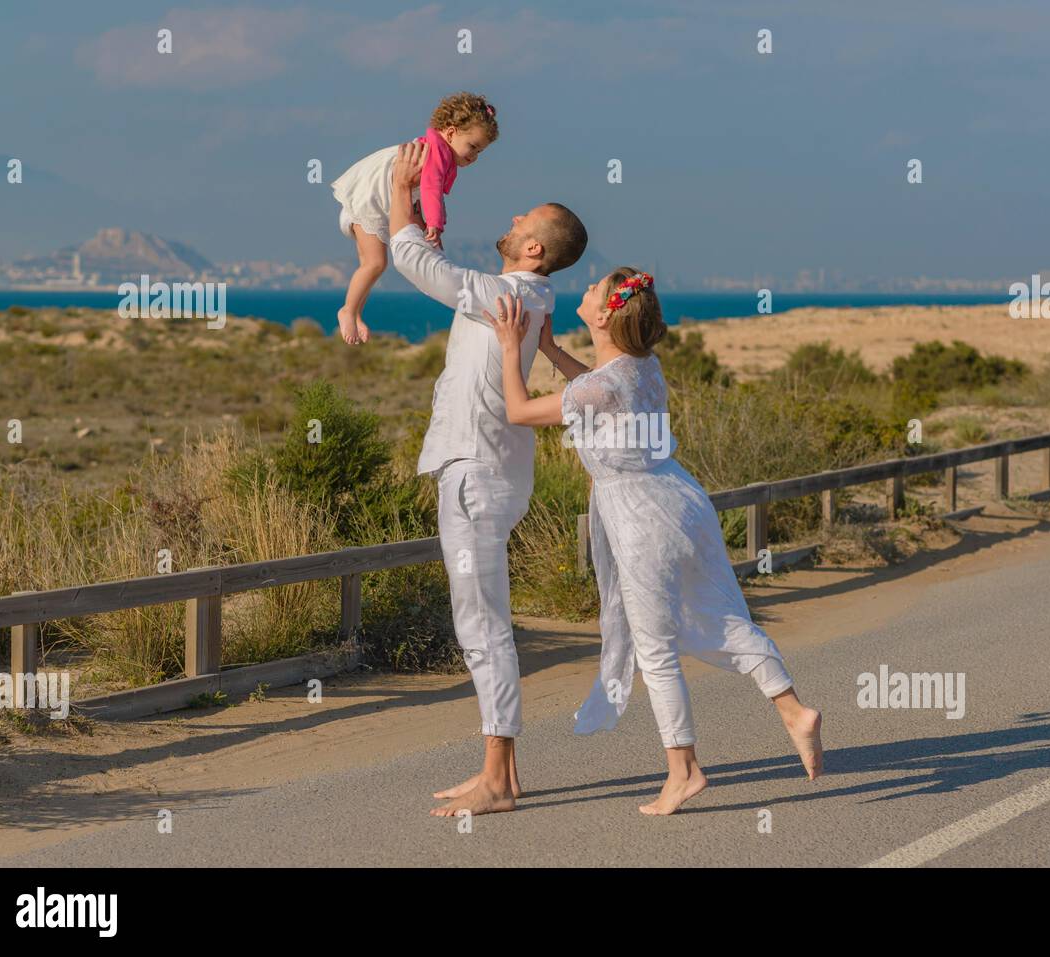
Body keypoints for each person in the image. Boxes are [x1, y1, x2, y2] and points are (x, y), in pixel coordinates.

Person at [485, 270, 824, 815]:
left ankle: (683, 770)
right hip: (680, 499)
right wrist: (550, 348)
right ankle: (792, 709)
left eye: (594, 288)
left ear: (603, 316)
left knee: (655, 646)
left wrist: (509, 346)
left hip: (641, 517)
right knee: (722, 614)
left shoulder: (603, 382)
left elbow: (520, 411)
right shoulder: (640, 367)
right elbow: (593, 390)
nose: (587, 290)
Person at [385, 139, 589, 816]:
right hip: (492, 471)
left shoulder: (501, 294)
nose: (510, 219)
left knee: (482, 623)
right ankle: (501, 769)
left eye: (522, 220)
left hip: (476, 474)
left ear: (533, 250)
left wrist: (398, 189)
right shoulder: (530, 293)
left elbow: (414, 260)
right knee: (485, 618)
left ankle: (497, 777)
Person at [331, 92, 498, 345]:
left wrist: (430, 229)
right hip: (370, 200)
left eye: (480, 152)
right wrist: (435, 224)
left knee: (374, 265)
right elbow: (430, 189)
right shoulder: (435, 154)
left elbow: (419, 198)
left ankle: (356, 312)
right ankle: (348, 311)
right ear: (451, 133)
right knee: (374, 264)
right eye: (472, 147)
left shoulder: (439, 153)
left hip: (377, 200)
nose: (474, 156)